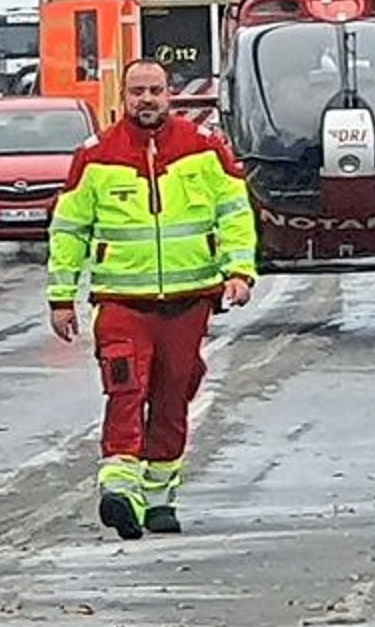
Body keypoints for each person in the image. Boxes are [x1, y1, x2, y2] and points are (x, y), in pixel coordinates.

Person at [47, 58, 257, 539]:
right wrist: (61, 298)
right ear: (124, 97)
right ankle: (119, 489)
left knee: (172, 395)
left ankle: (160, 497)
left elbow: (235, 215)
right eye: (137, 91)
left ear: (170, 94)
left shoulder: (204, 149)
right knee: (125, 388)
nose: (147, 99)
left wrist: (240, 272)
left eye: (155, 90)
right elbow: (68, 231)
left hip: (189, 300)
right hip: (122, 301)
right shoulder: (96, 156)